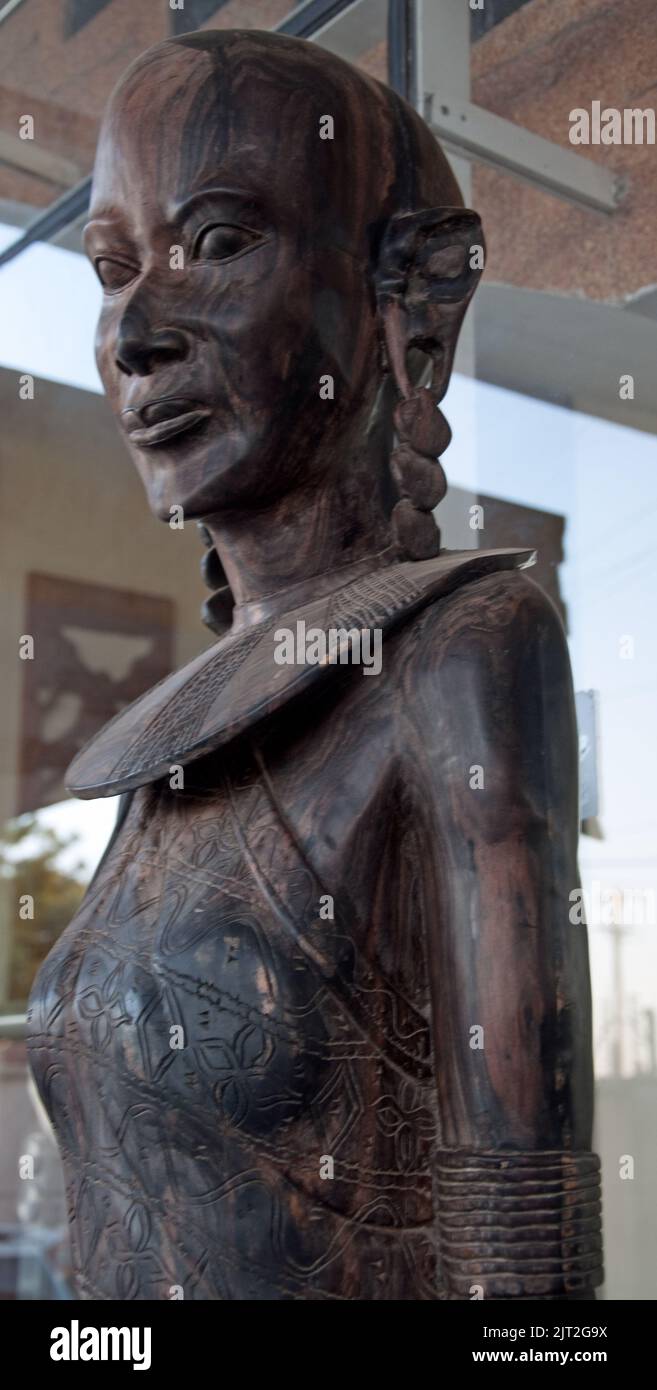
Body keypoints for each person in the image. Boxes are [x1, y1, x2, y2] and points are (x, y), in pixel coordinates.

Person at [27, 29, 602, 1301]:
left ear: (409, 308)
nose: (134, 336)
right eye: (114, 271)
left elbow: (527, 1251)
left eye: (221, 243)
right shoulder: (172, 742)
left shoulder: (462, 652)